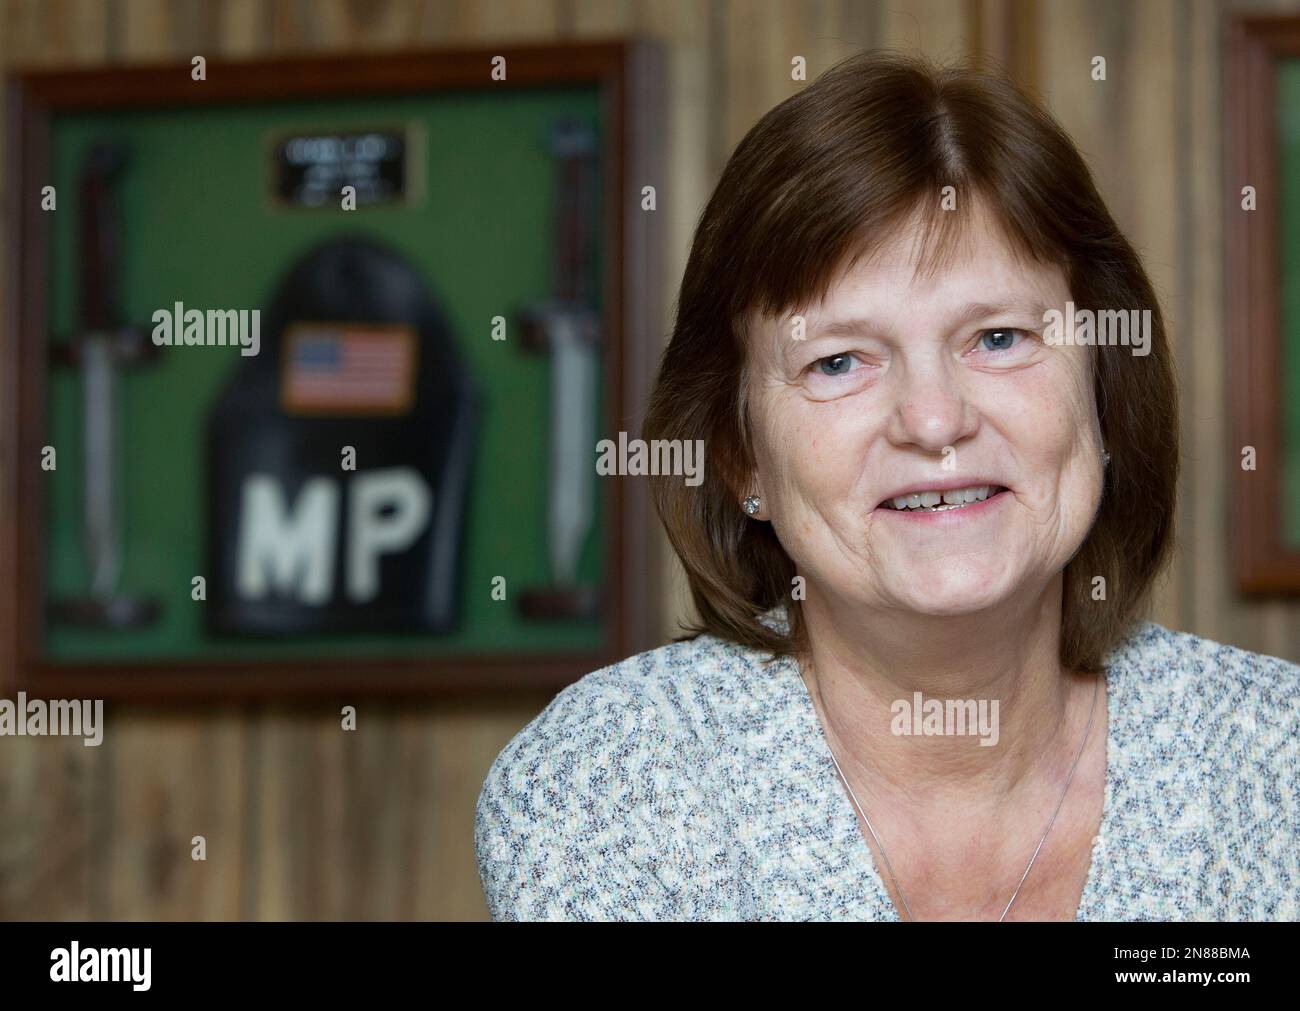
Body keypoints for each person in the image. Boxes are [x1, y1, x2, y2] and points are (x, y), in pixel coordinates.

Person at [474, 50, 1300, 921]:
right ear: (738, 454)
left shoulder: (1275, 763)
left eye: (999, 338)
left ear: (1100, 391)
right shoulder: (612, 788)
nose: (935, 420)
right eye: (837, 361)